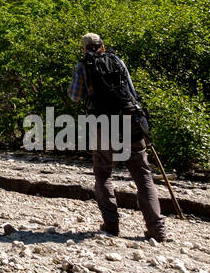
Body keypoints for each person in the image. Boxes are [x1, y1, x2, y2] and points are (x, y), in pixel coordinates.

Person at [67, 33, 168, 242]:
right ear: (103, 46)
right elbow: (131, 91)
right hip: (130, 119)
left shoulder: (83, 66)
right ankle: (157, 229)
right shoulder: (117, 61)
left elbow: (74, 96)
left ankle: (111, 225)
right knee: (143, 175)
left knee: (103, 173)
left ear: (84, 48)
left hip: (103, 124)